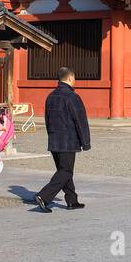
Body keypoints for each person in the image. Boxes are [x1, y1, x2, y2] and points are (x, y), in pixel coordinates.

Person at [34, 67, 89, 212]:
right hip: (68, 141)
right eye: (74, 78)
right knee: (66, 172)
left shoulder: (50, 96)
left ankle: (72, 200)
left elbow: (47, 119)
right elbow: (80, 120)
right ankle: (44, 196)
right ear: (70, 78)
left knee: (64, 171)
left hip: (54, 139)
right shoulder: (72, 97)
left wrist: (51, 135)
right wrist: (86, 142)